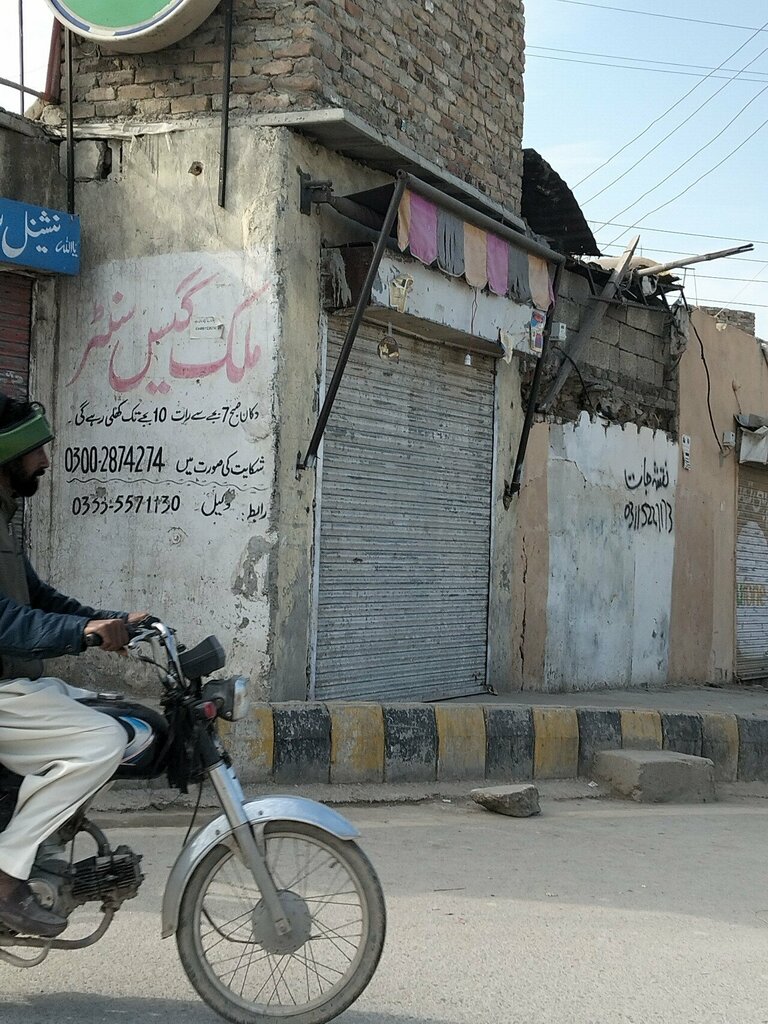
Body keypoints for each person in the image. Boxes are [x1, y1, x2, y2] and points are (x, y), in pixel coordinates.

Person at [0, 394, 144, 938]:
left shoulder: (3, 521)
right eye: (35, 449)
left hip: (17, 686)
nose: (43, 460)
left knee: (118, 714)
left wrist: (110, 620)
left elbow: (38, 598)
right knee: (100, 740)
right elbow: (6, 620)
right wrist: (81, 635)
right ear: (7, 454)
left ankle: (48, 845)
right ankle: (6, 873)